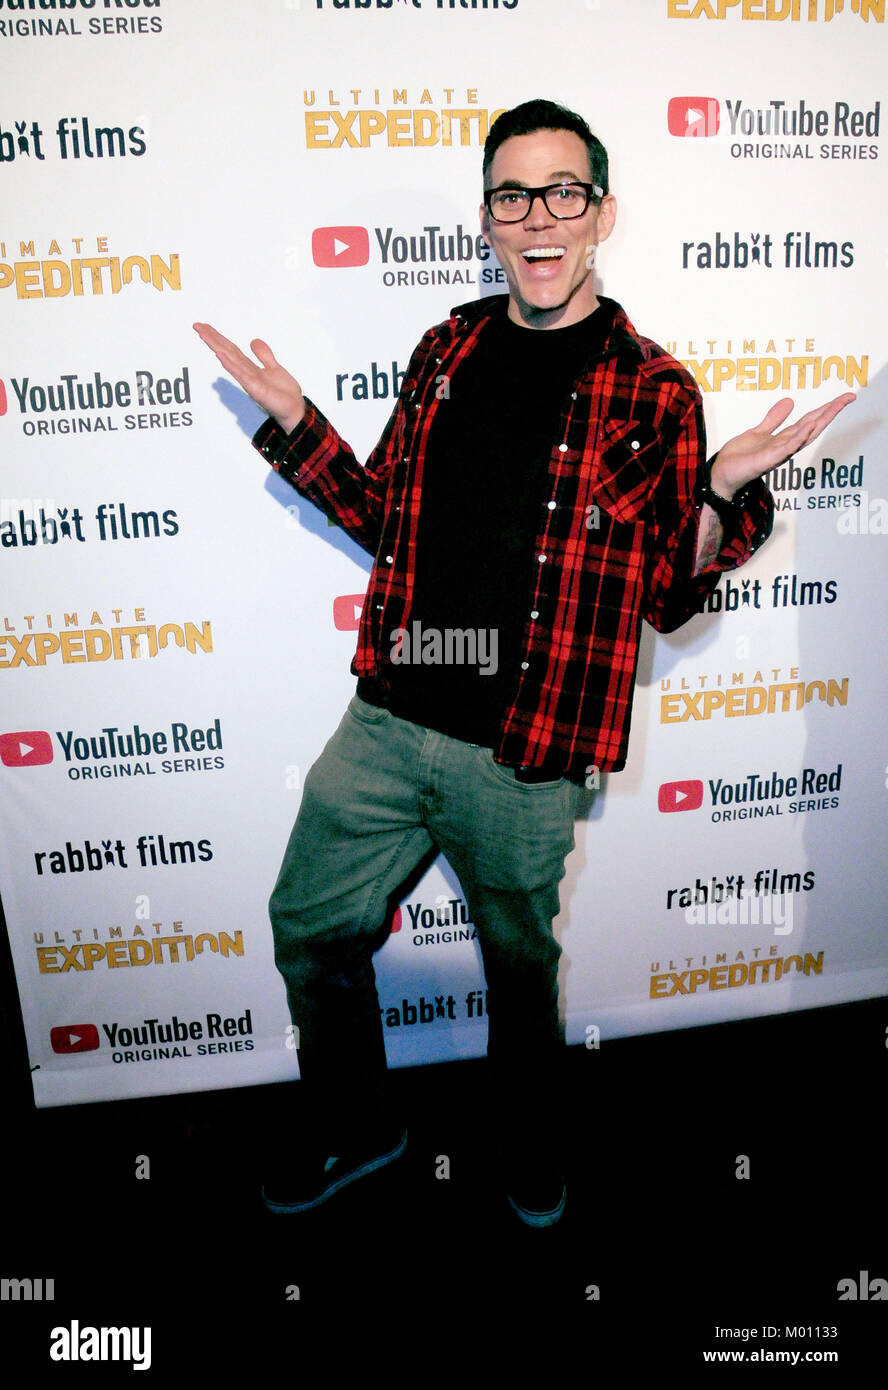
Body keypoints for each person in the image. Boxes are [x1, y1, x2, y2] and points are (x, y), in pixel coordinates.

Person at [194, 98, 854, 1228]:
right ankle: (359, 1123)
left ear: (601, 213)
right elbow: (382, 519)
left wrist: (719, 494)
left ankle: (528, 1136)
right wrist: (301, 425)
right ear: (489, 217)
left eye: (564, 192)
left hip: (528, 753)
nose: (538, 217)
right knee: (310, 929)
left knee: (515, 973)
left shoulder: (654, 390)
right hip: (390, 717)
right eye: (513, 194)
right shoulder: (443, 348)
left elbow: (667, 593)